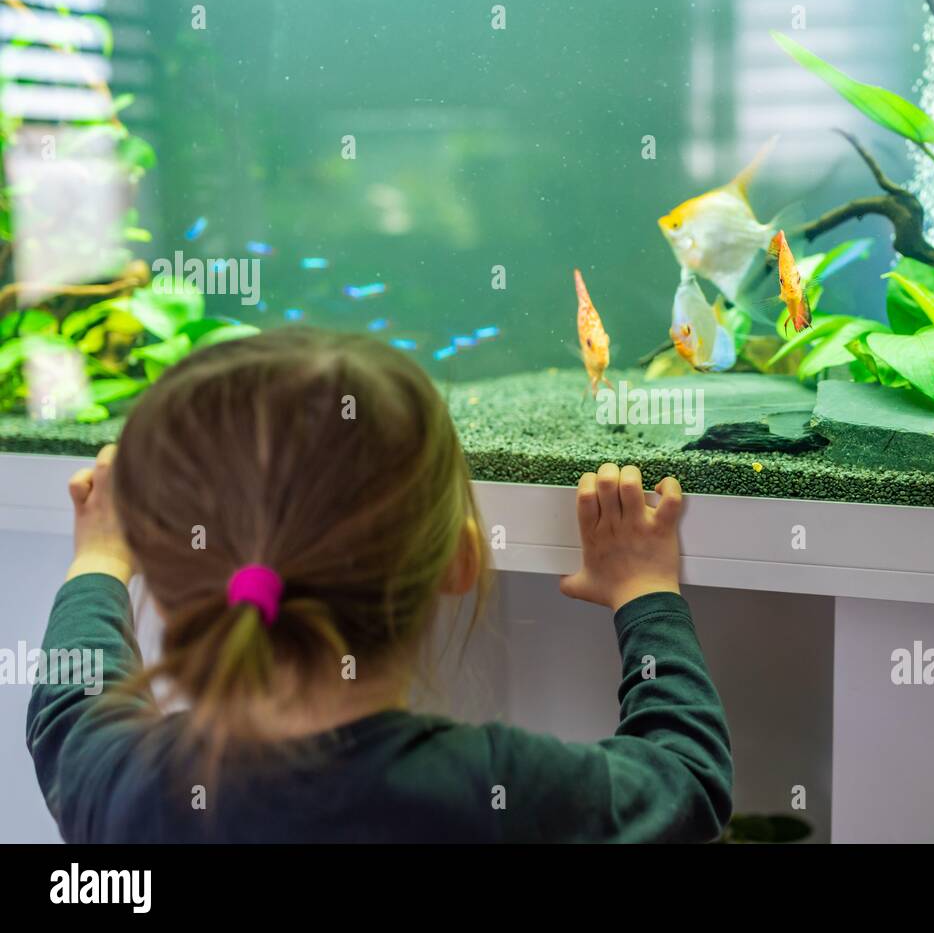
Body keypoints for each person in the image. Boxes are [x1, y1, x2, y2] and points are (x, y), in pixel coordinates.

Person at [27, 327, 732, 842]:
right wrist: (645, 590)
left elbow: (68, 711)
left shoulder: (131, 787)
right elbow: (687, 780)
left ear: (171, 568)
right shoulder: (499, 790)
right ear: (460, 559)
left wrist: (98, 559)